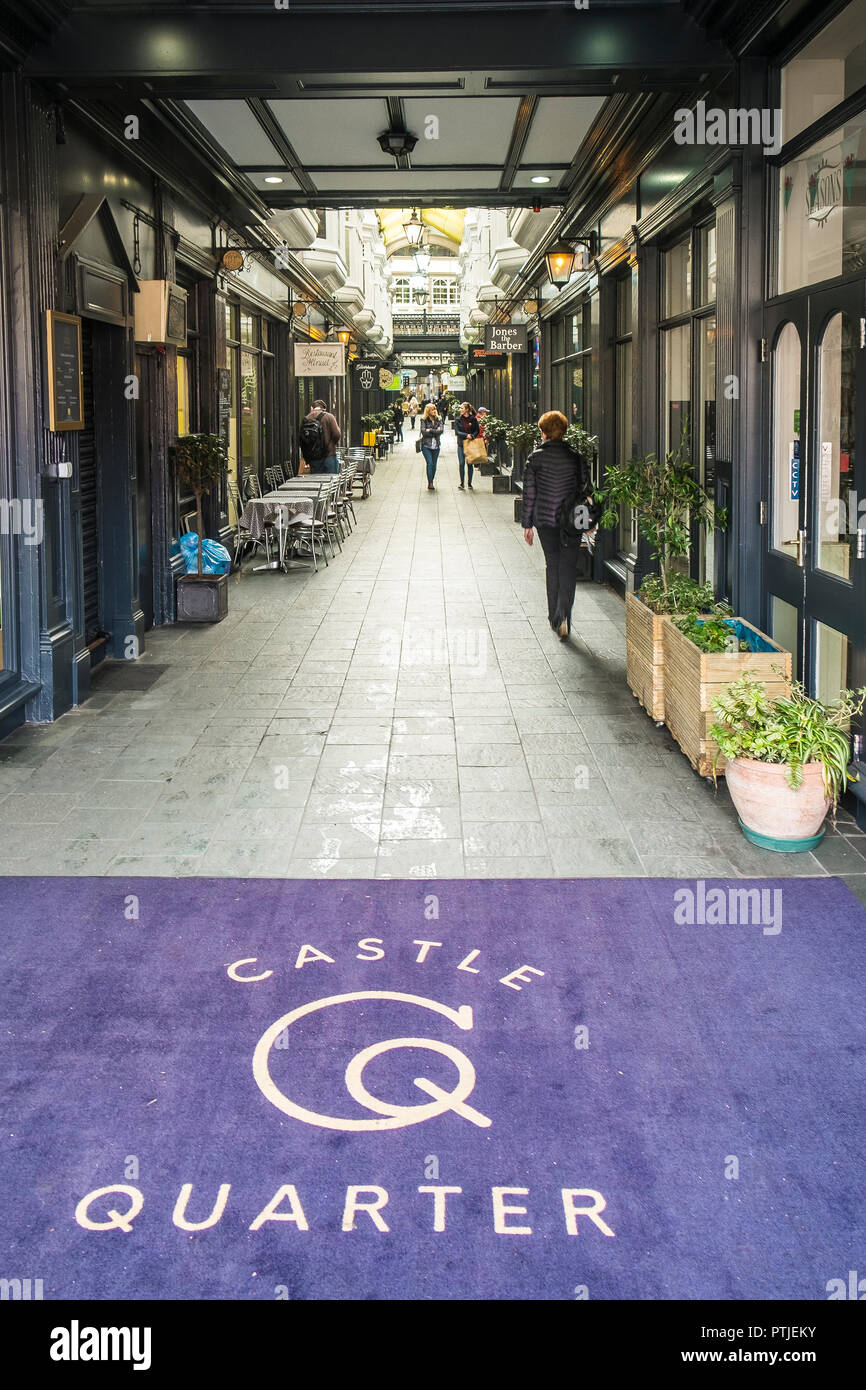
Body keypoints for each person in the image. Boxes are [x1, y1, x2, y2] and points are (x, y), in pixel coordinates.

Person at [522, 409, 592, 640]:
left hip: (545, 521)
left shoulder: (535, 458)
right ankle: (564, 615)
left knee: (552, 565)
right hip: (571, 522)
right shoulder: (576, 457)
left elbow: (530, 493)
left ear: (543, 432)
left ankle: (555, 616)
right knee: (568, 567)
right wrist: (587, 523)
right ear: (563, 431)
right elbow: (586, 492)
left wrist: (527, 524)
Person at [300, 398, 341, 474]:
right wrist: (331, 445)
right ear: (324, 409)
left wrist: (307, 458)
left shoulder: (306, 419)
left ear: (312, 408)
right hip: (329, 456)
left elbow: (302, 440)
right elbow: (337, 434)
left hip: (314, 458)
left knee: (316, 482)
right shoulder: (329, 416)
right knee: (332, 481)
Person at [454, 401, 480, 491]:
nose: (460, 409)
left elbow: (477, 430)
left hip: (470, 444)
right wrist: (466, 435)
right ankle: (462, 483)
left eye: (462, 408)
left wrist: (472, 436)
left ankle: (469, 483)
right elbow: (457, 432)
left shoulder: (473, 419)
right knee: (461, 463)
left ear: (467, 410)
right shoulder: (458, 419)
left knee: (469, 463)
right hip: (461, 444)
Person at [419, 402, 443, 491]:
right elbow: (424, 432)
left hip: (436, 446)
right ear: (428, 411)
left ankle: (431, 480)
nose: (434, 411)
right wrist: (435, 431)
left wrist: (430, 430)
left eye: (435, 409)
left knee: (434, 465)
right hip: (426, 446)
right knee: (430, 463)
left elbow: (441, 431)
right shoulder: (423, 420)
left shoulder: (439, 419)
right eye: (432, 409)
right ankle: (430, 483)